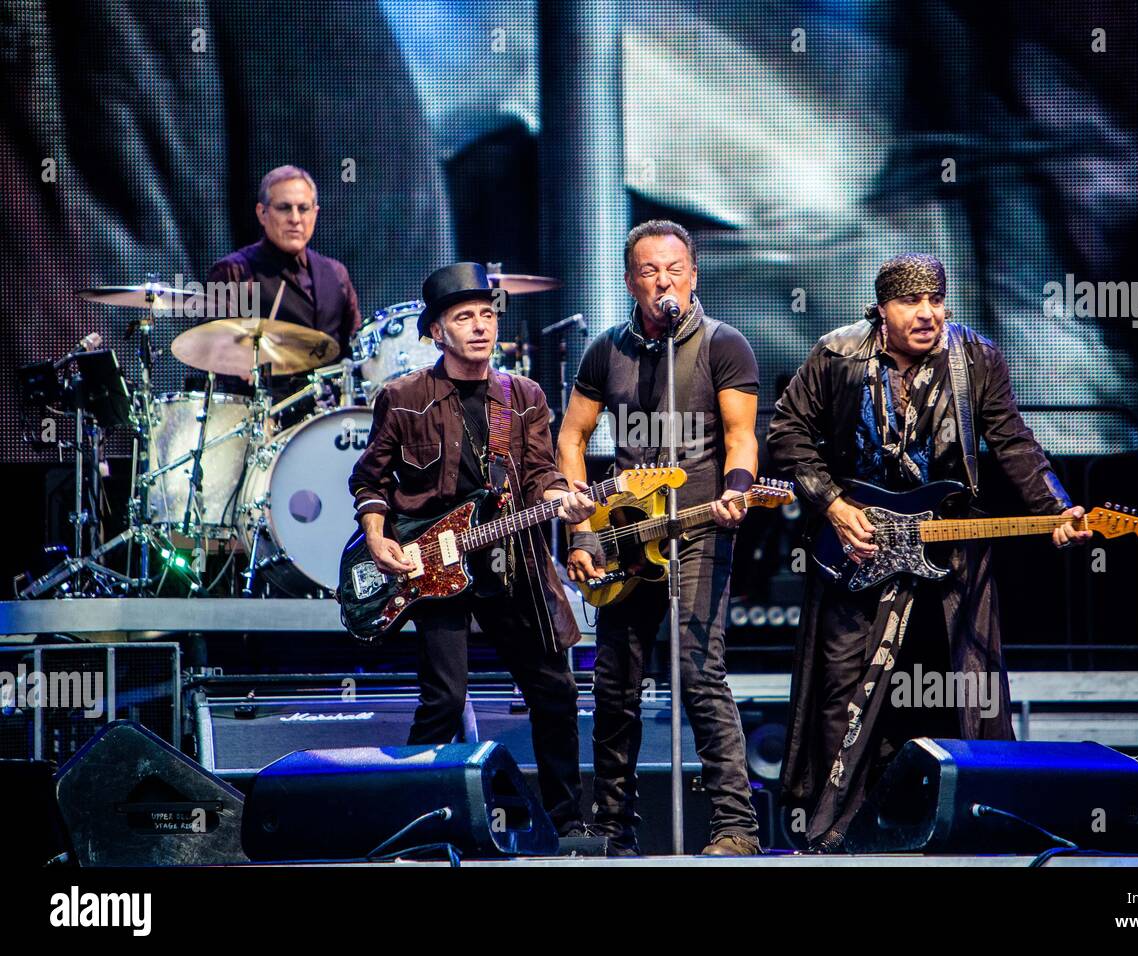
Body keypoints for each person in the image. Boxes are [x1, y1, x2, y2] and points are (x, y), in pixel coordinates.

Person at [767, 252, 1091, 851]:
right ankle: (836, 833)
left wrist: (1056, 509)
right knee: (844, 693)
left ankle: (983, 824)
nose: (928, 314)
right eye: (912, 303)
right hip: (859, 550)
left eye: (937, 301)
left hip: (952, 549)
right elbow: (785, 432)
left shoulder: (976, 357)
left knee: (966, 687)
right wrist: (836, 505)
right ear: (882, 309)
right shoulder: (837, 353)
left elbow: (1013, 441)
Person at [348, 261, 596, 836]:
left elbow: (538, 473)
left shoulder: (523, 395)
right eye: (465, 317)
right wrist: (379, 535)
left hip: (511, 560)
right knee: (443, 699)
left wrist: (563, 496)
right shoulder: (403, 396)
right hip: (431, 563)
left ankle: (567, 823)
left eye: (487, 314)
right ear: (437, 330)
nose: (481, 326)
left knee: (554, 689)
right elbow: (370, 480)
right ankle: (409, 822)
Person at [556, 219, 763, 856]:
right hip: (623, 531)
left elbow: (742, 436)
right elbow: (571, 439)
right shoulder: (606, 351)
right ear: (629, 281)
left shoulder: (724, 345)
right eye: (648, 270)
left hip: (697, 526)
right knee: (615, 682)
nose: (662, 280)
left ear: (693, 276)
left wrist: (736, 487)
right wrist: (581, 530)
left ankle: (735, 827)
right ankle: (615, 830)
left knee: (699, 671)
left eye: (673, 268)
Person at [205, 165, 361, 399]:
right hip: (263, 419)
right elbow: (207, 346)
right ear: (262, 213)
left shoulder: (337, 273)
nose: (295, 219)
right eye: (284, 208)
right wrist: (236, 360)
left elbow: (357, 345)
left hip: (329, 419)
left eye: (303, 208)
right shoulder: (234, 271)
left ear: (315, 213)